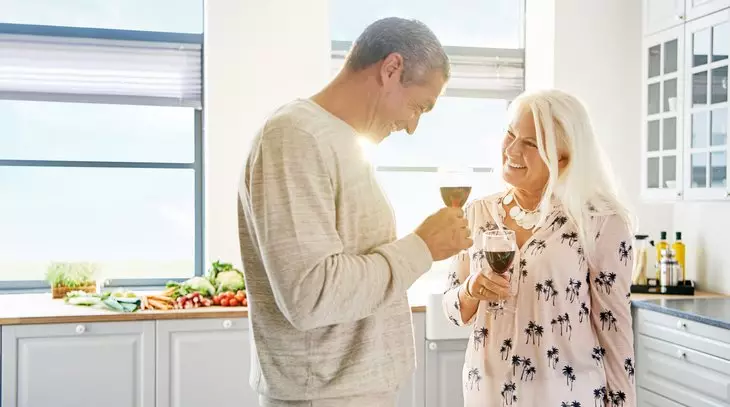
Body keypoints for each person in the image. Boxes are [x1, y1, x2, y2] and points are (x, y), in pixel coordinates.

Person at [237, 17, 473, 407]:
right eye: (418, 106)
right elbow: (310, 295)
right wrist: (422, 247)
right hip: (324, 396)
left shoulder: (338, 142)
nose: (412, 126)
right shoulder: (293, 137)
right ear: (391, 69)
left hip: (351, 392)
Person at [442, 89, 636, 406]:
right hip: (487, 393)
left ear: (564, 157)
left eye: (531, 143)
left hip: (567, 394)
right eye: (510, 134)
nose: (513, 150)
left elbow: (614, 330)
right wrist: (470, 291)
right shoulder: (476, 212)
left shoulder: (600, 220)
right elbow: (452, 310)